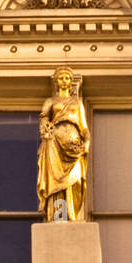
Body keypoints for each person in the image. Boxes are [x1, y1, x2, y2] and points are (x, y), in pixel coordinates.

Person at [37, 67, 90, 221]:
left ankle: (71, 215)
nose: (65, 81)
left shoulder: (77, 102)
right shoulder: (51, 101)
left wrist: (87, 142)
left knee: (76, 181)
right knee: (56, 183)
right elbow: (44, 118)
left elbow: (84, 127)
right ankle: (58, 216)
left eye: (67, 78)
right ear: (56, 81)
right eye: (61, 78)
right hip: (54, 142)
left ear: (71, 81)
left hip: (74, 144)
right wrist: (45, 126)